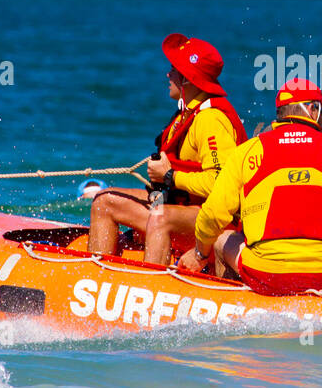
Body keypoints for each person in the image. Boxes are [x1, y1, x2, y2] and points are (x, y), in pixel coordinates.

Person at [178, 78, 322, 295]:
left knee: (221, 239)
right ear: (312, 110)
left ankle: (233, 303)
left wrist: (199, 254)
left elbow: (212, 216)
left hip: (268, 278)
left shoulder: (247, 152)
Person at [89, 34, 246, 265]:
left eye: (174, 69)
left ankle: (152, 288)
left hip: (213, 222)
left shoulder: (211, 120)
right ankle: (95, 282)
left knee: (159, 217)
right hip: (182, 207)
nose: (168, 74)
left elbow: (220, 183)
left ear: (188, 79)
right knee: (104, 201)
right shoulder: (188, 113)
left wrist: (170, 177)